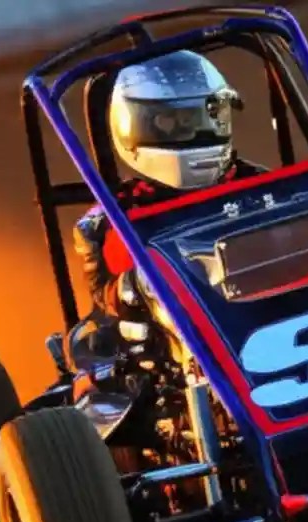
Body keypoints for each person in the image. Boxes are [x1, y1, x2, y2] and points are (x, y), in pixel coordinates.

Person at [71, 50, 263, 323]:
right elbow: (106, 302)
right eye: (175, 123)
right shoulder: (112, 218)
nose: (198, 132)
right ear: (134, 124)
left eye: (204, 117)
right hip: (178, 334)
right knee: (91, 339)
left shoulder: (255, 181)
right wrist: (136, 285)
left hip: (267, 311)